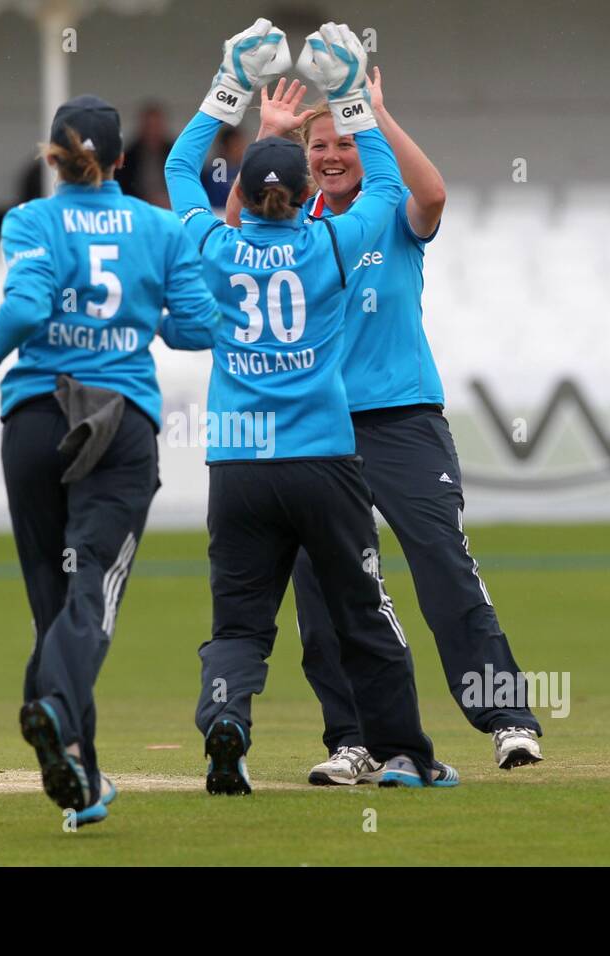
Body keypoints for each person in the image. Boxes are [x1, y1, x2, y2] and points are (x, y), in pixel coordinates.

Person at [225, 71, 545, 784]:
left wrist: (375, 115)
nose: (332, 155)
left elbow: (433, 195)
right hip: (318, 430)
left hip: (402, 419)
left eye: (344, 142)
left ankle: (508, 718)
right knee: (324, 588)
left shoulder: (389, 207)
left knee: (442, 564)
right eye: (319, 146)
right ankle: (356, 741)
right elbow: (227, 244)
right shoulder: (290, 226)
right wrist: (268, 140)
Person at [166, 19, 457, 793]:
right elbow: (392, 185)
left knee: (238, 624)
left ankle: (227, 722)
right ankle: (404, 755)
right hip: (323, 458)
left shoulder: (217, 248)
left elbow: (177, 166)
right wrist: (353, 92)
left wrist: (230, 79)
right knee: (362, 609)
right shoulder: (327, 246)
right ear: (304, 198)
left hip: (236, 460)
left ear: (241, 198)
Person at [0, 95, 220, 827]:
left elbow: (27, 309)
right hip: (117, 421)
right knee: (92, 586)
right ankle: (54, 711)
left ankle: (83, 778)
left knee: (52, 602)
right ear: (122, 160)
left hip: (35, 419)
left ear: (52, 159)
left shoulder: (31, 220)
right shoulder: (158, 227)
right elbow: (198, 327)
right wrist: (135, 312)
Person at [118, 103, 175, 207]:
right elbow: (124, 188)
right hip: (138, 208)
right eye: (149, 126)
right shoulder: (129, 157)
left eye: (156, 126)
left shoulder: (175, 153)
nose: (153, 132)